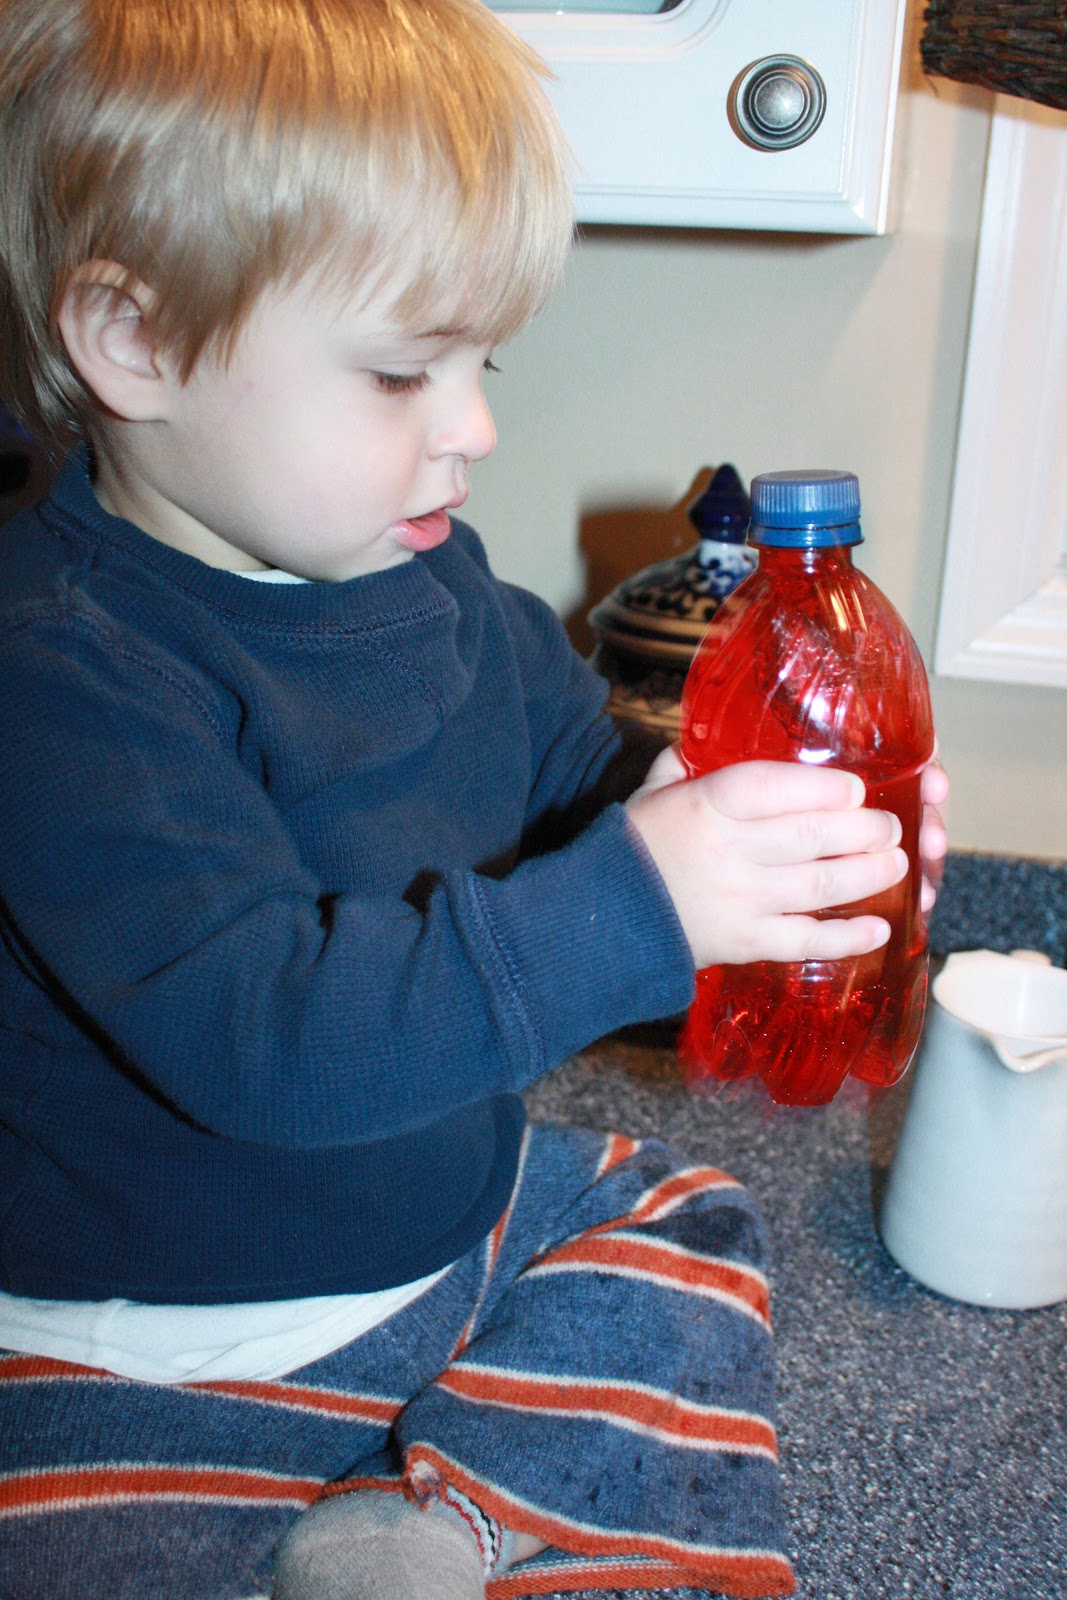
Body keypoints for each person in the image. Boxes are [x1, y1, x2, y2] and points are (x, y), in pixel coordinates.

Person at [0, 1, 949, 1597]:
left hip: (458, 1233)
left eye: (481, 360)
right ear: (134, 342)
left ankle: (441, 1527)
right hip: (148, 1334)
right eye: (399, 373)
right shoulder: (56, 672)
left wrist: (747, 844)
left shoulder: (440, 590)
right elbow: (273, 1040)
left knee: (682, 1217)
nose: (476, 429)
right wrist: (645, 896)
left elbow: (579, 803)